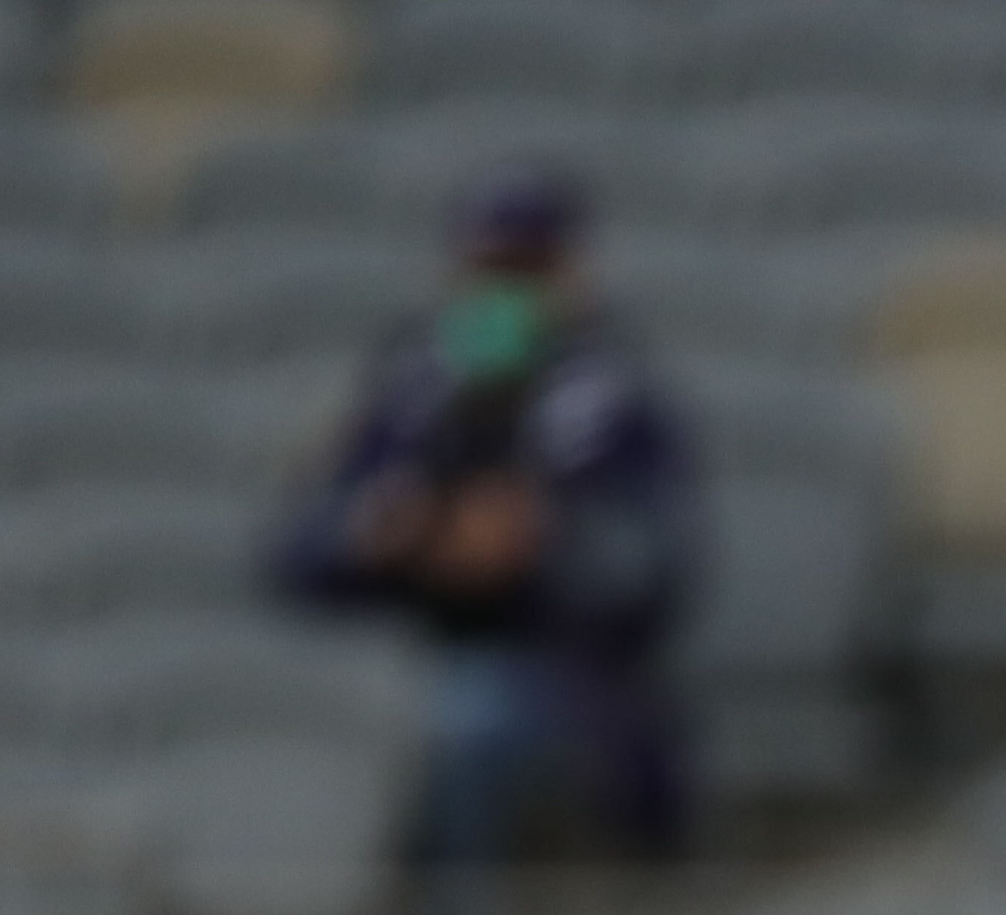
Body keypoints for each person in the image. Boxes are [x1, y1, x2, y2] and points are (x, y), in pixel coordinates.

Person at [274, 167, 697, 871]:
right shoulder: (412, 389)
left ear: (571, 275)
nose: (503, 294)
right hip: (400, 659)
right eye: (485, 269)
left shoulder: (616, 399)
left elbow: (655, 573)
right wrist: (378, 535)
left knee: (465, 717)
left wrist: (541, 542)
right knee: (351, 717)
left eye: (525, 269)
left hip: (563, 678)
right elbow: (294, 556)